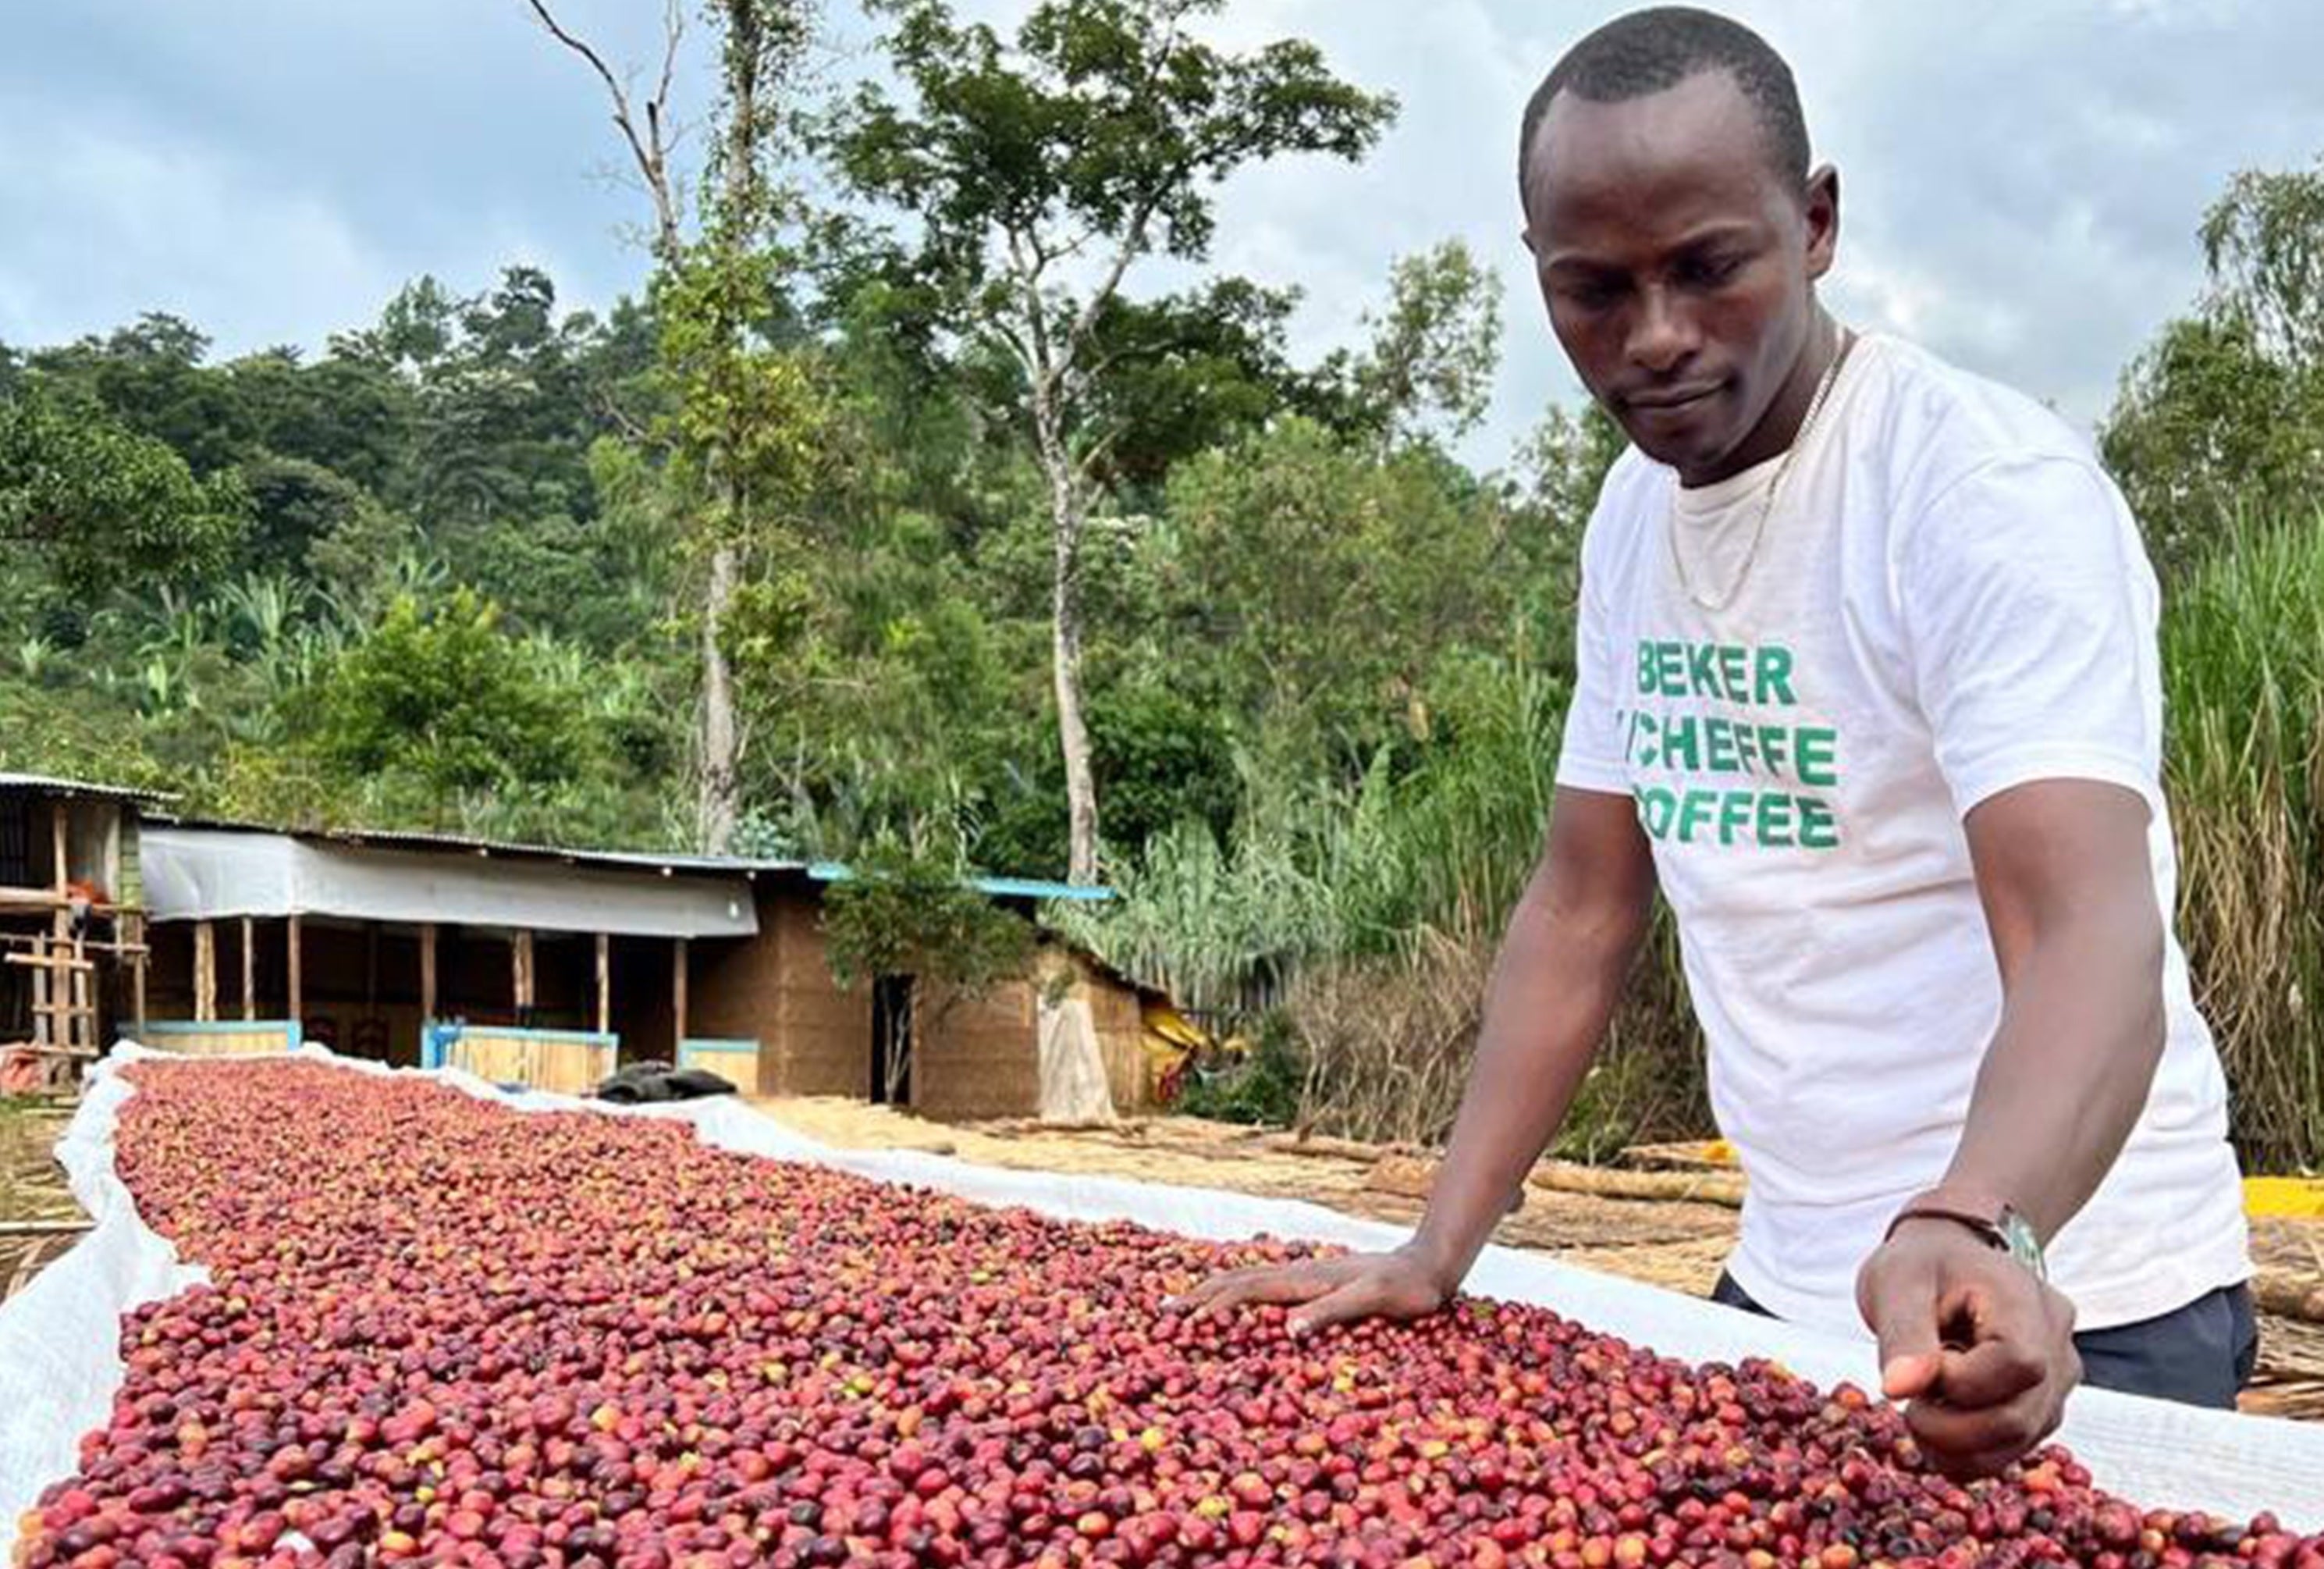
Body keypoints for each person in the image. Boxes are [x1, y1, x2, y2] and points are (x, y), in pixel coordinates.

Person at [1174, 5, 2254, 1479]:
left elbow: (2087, 930)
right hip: (1795, 1283)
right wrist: (1439, 1241)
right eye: (1593, 292)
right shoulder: (1633, 521)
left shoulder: (1976, 493)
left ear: (1812, 224)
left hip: (2061, 1292)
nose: (1655, 338)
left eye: (1707, 268)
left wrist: (1978, 1220)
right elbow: (1579, 904)